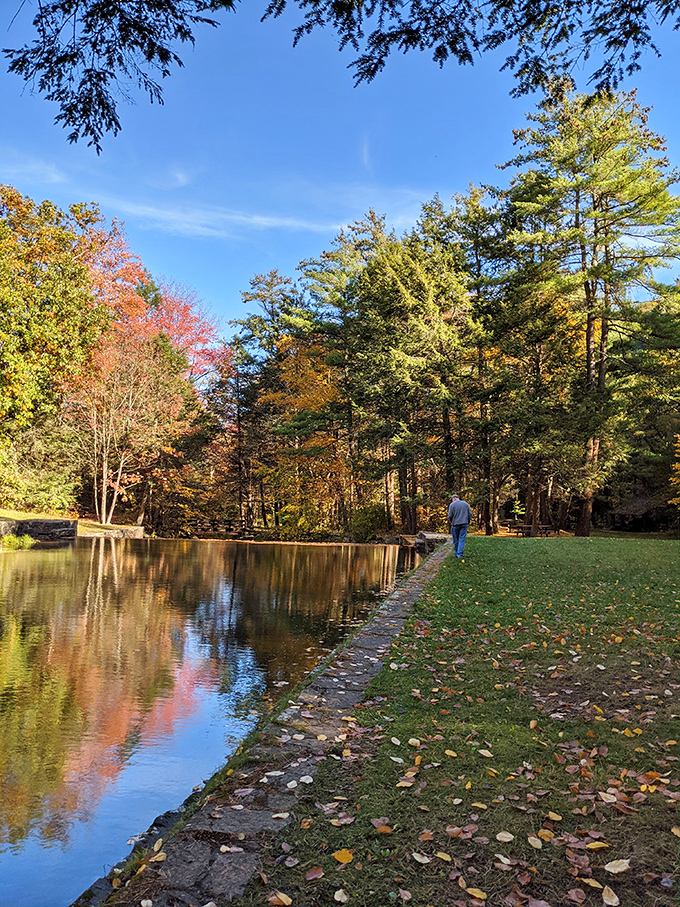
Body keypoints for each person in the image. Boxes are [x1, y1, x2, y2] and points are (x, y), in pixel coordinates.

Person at [447, 493, 472, 560]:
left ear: (453, 498)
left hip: (455, 524)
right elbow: (470, 514)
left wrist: (451, 522)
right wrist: (467, 521)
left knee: (455, 540)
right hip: (464, 523)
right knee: (461, 539)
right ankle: (459, 554)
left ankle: (456, 553)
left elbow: (449, 516)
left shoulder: (452, 505)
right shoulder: (465, 504)